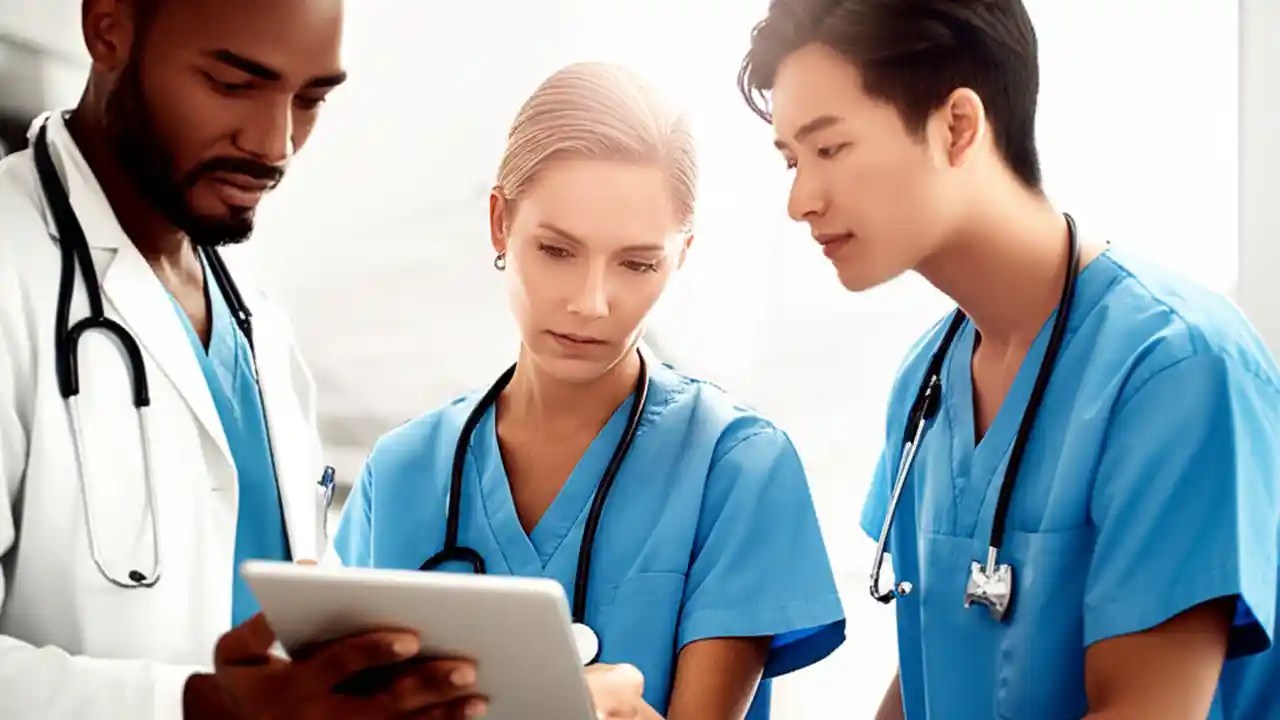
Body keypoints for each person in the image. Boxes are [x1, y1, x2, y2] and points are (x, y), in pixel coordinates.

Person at [737, 1, 1280, 718]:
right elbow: (934, 661)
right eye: (791, 161)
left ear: (957, 127)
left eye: (830, 149)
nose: (800, 200)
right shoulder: (926, 382)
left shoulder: (1176, 368)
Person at [0, 0, 496, 717]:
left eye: (311, 98)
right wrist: (204, 706)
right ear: (108, 30)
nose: (275, 143)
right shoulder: (12, 268)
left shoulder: (249, 310)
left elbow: (286, 602)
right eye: (233, 84)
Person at [330, 61, 847, 719]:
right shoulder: (403, 471)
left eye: (637, 263)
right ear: (500, 223)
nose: (591, 302)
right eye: (557, 251)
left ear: (681, 256)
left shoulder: (736, 466)